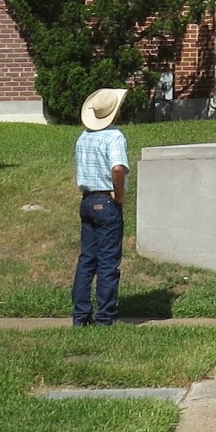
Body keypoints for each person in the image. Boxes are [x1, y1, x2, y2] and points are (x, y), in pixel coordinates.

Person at [73, 86, 130, 327]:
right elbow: (117, 168)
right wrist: (119, 195)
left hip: (87, 200)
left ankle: (80, 315)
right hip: (106, 201)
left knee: (87, 260)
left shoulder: (83, 137)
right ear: (114, 113)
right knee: (108, 261)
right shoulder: (114, 136)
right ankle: (105, 316)